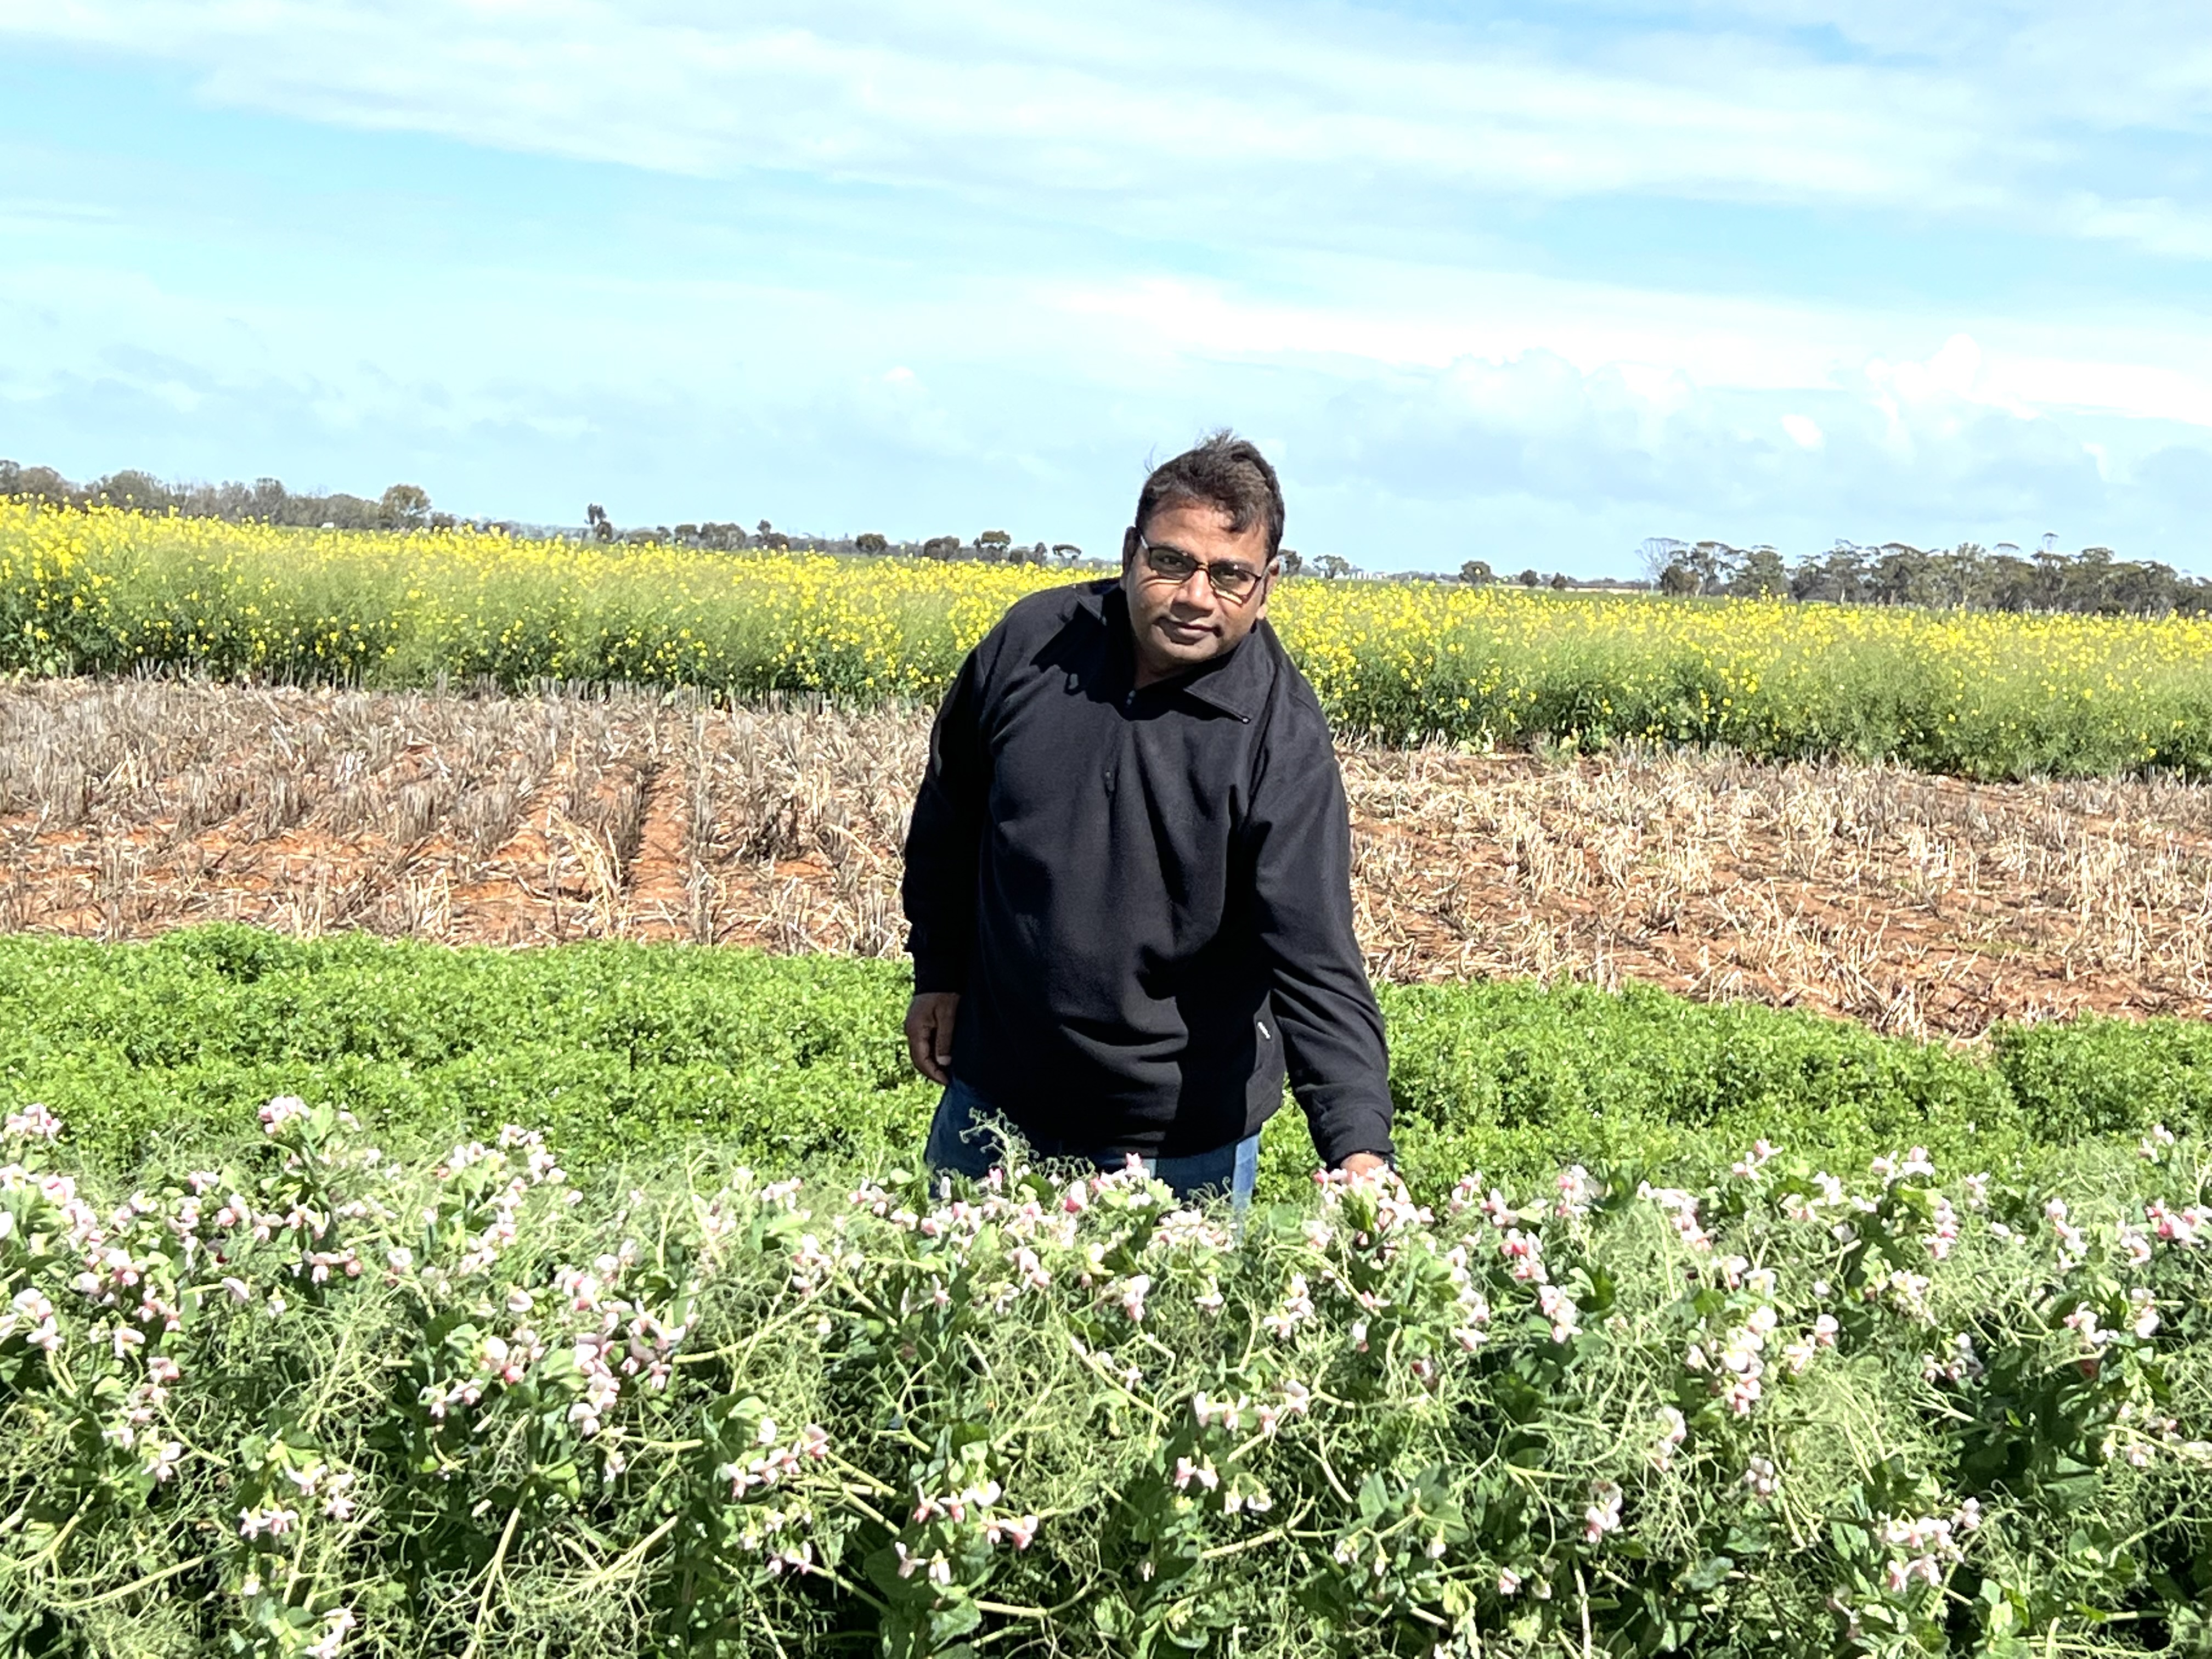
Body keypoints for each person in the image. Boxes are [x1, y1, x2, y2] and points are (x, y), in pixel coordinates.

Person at [900, 431, 1391, 1205]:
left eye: (1230, 575)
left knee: (1158, 1331)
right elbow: (948, 826)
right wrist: (939, 972)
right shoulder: (1032, 643)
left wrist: (1358, 1150)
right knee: (955, 1324)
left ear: (1266, 585)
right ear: (1131, 550)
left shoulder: (1279, 735)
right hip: (993, 1105)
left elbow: (1313, 952)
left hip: (1175, 1141)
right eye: (1172, 561)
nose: (1196, 596)